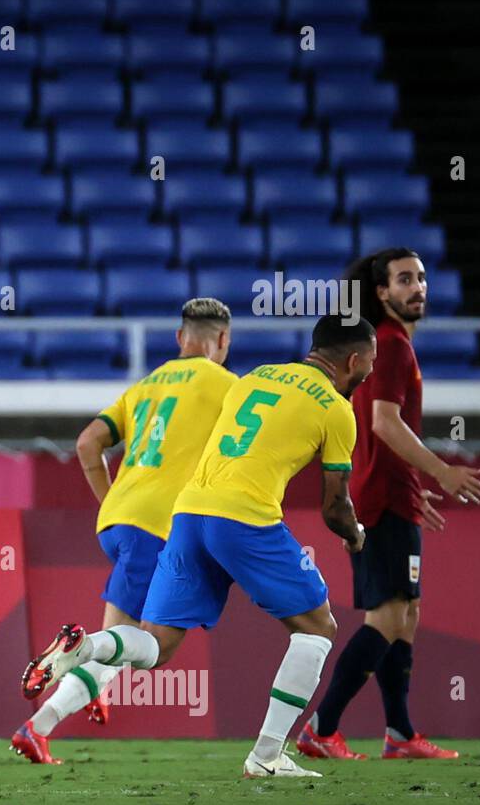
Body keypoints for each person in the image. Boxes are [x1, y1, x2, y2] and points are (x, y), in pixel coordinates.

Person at [23, 315, 377, 779]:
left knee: (156, 643)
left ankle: (85, 647)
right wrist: (355, 535)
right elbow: (336, 506)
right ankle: (267, 755)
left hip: (188, 512)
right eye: (369, 363)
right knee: (318, 626)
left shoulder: (252, 379)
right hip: (244, 515)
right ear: (353, 360)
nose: (369, 372)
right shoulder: (335, 407)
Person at [12, 298, 237, 764]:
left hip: (117, 521)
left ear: (180, 338)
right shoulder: (227, 385)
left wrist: (112, 501)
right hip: (160, 526)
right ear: (222, 341)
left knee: (126, 641)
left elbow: (88, 442)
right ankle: (43, 718)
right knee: (145, 647)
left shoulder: (145, 385)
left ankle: (49, 719)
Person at [298, 249, 480, 760]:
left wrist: (410, 485)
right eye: (405, 279)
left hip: (386, 493)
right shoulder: (389, 345)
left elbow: (378, 432)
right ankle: (322, 726)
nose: (418, 287)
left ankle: (400, 733)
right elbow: (384, 423)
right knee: (388, 614)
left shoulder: (388, 344)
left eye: (422, 277)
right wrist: (441, 470)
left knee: (406, 612)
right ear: (382, 292)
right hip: (379, 500)